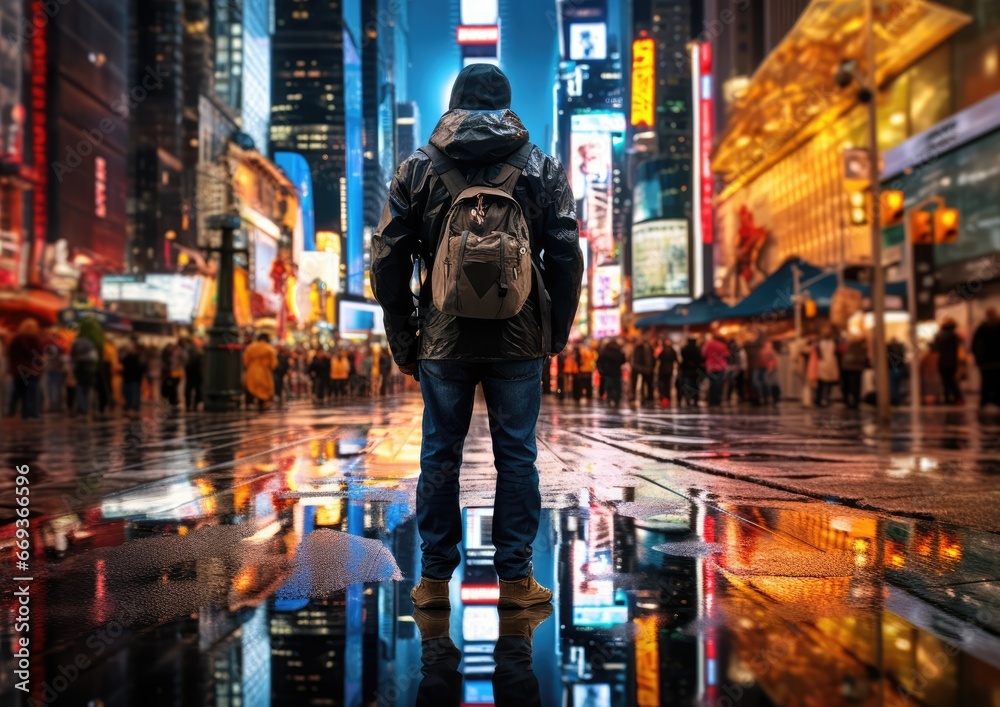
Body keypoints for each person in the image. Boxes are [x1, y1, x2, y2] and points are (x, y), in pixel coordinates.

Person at [371, 64, 583, 610]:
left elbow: (389, 258)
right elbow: (565, 255)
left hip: (443, 335)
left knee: (440, 454)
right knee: (517, 456)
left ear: (454, 101)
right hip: (519, 335)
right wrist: (553, 334)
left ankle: (434, 581)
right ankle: (514, 581)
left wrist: (403, 337)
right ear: (508, 105)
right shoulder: (540, 166)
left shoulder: (418, 167)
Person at [7, 318, 43, 419]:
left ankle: (13, 411)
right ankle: (31, 413)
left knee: (19, 391)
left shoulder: (16, 338)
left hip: (18, 370)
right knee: (31, 393)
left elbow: (11, 354)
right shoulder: (33, 338)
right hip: (31, 369)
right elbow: (36, 354)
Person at [71, 318, 103, 417]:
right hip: (89, 370)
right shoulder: (92, 342)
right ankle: (86, 408)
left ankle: (82, 408)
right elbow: (95, 358)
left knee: (80, 388)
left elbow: (72, 355)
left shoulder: (77, 342)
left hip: (79, 369)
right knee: (88, 389)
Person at [971, 307, 1000, 409]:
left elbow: (975, 345)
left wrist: (978, 357)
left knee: (986, 381)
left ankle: (986, 400)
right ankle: (995, 399)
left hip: (986, 361)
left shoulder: (982, 328)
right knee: (996, 381)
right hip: (995, 361)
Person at [933, 317, 964, 405]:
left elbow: (935, 349)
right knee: (952, 380)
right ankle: (957, 397)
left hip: (942, 361)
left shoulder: (939, 335)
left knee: (945, 381)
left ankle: (948, 398)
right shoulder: (954, 335)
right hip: (952, 361)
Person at [243, 333, 277, 410]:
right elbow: (273, 364)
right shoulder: (269, 348)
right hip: (265, 372)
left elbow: (245, 361)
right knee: (263, 390)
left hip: (251, 371)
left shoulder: (250, 347)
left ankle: (249, 403)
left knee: (250, 387)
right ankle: (261, 403)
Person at [810, 329, 840, 407]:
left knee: (827, 383)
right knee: (821, 383)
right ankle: (819, 399)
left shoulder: (832, 342)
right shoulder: (820, 343)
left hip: (829, 364)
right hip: (823, 364)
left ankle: (825, 398)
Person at [839, 334, 868, 410]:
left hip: (854, 368)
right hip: (849, 368)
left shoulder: (858, 347)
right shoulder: (849, 346)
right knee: (850, 386)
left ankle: (853, 401)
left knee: (853, 386)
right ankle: (851, 401)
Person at [702, 334, 730, 407]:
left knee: (712, 384)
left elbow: (703, 353)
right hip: (721, 366)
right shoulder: (723, 345)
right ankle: (718, 400)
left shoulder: (709, 343)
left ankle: (712, 400)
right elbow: (727, 355)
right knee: (719, 384)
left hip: (711, 366)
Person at [597, 338, 626, 407]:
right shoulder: (619, 352)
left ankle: (610, 398)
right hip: (616, 372)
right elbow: (623, 361)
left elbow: (599, 361)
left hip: (607, 372)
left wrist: (601, 369)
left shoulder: (605, 352)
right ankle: (616, 399)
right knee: (617, 386)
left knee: (609, 386)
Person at [121, 337, 145, 415]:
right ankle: (131, 405)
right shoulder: (130, 357)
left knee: (134, 393)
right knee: (129, 393)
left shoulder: (137, 358)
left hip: (134, 378)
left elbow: (141, 368)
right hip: (130, 378)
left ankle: (134, 406)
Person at [678, 337, 704, 407]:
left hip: (687, 371)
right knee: (695, 386)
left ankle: (688, 400)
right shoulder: (697, 349)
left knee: (687, 385)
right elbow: (701, 359)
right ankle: (695, 400)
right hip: (695, 371)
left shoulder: (685, 349)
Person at [631, 335, 655, 405]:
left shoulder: (640, 348)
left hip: (642, 368)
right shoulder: (648, 348)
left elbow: (636, 359)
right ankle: (647, 397)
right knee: (646, 384)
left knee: (643, 383)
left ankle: (645, 396)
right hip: (645, 368)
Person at [182, 338, 204, 412]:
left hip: (189, 371)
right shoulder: (198, 351)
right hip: (196, 372)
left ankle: (188, 404)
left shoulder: (187, 351)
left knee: (189, 388)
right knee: (197, 389)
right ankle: (195, 404)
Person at [655, 337, 678, 406]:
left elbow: (658, 358)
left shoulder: (662, 350)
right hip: (669, 370)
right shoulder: (673, 351)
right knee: (668, 384)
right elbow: (676, 360)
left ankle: (663, 397)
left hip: (662, 370)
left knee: (662, 384)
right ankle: (667, 397)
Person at [756, 339, 779, 405]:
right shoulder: (769, 351)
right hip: (765, 368)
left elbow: (774, 361)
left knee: (769, 383)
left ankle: (770, 397)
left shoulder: (769, 351)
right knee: (767, 383)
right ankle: (769, 397)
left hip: (768, 369)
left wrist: (772, 367)